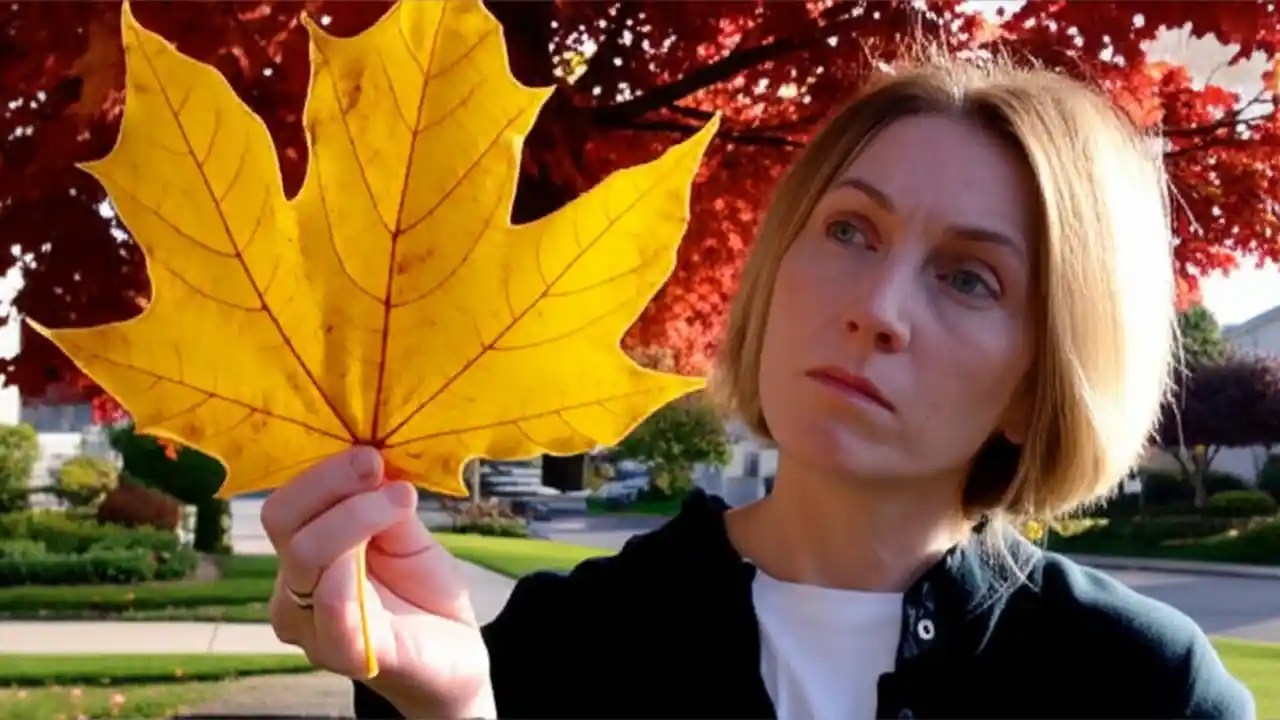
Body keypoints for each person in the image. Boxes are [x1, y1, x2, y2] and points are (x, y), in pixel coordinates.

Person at [262, 53, 1257, 720]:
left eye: (966, 278)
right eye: (849, 230)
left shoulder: (1144, 687)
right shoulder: (548, 650)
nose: (876, 305)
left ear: (1038, 379)